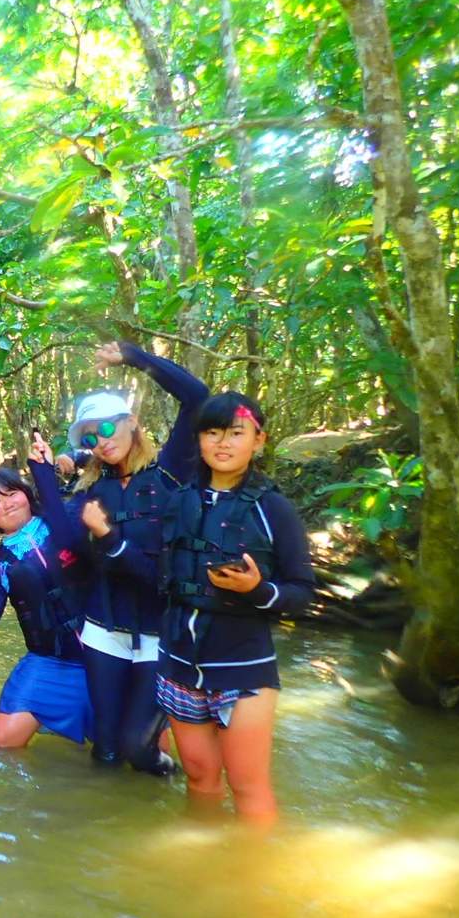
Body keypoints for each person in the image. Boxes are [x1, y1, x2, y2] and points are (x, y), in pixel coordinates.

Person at [28, 341, 208, 776]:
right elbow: (68, 540)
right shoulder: (94, 491)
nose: (100, 442)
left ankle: (166, 778)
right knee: (105, 748)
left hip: (161, 633)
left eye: (106, 428)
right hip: (103, 631)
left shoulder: (170, 471)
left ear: (131, 423)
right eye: (89, 436)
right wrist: (42, 473)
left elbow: (198, 397)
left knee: (136, 747)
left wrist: (132, 356)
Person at [153, 392, 315, 822]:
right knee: (200, 780)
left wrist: (258, 590)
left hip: (244, 670)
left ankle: (255, 882)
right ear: (199, 440)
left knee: (248, 786)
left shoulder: (274, 509)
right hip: (178, 666)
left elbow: (302, 592)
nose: (223, 443)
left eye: (236, 433)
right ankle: (208, 869)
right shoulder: (178, 501)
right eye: (212, 432)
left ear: (258, 441)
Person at [0, 468, 93, 749]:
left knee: (142, 745)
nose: (7, 503)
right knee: (4, 740)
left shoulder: (64, 523)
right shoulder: (0, 566)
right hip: (51, 661)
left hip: (106, 652)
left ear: (27, 495)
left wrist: (71, 461)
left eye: (12, 493)